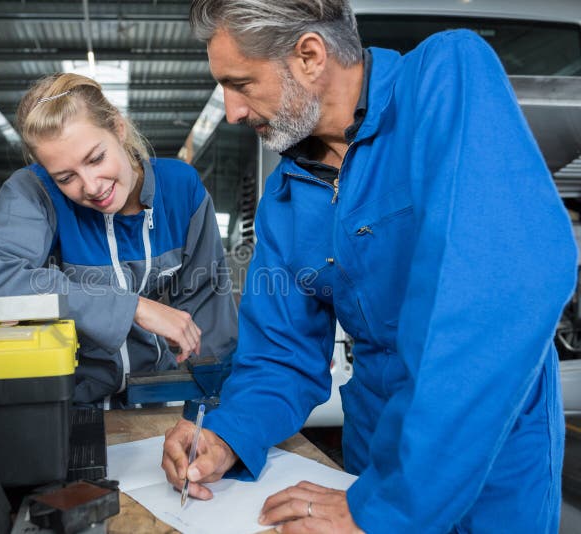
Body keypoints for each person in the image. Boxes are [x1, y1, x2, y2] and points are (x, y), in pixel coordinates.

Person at [161, 1, 578, 532]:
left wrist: (390, 506)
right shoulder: (284, 198)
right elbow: (282, 354)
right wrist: (228, 434)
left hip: (481, 452)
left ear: (309, 56)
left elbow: (496, 299)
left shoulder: (444, 81)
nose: (234, 110)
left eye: (240, 83)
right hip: (374, 451)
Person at [0, 73, 238, 405]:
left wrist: (217, 412)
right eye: (66, 177)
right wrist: (130, 307)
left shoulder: (182, 189)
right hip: (69, 407)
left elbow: (211, 322)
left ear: (118, 128)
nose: (90, 186)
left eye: (95, 159)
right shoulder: (34, 192)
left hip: (161, 404)